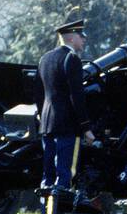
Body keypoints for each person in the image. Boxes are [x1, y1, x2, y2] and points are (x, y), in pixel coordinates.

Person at [38, 18, 96, 193]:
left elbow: (39, 94)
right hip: (67, 125)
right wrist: (86, 128)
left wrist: (43, 117)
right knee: (65, 174)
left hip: (47, 124)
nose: (84, 39)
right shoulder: (72, 59)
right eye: (81, 36)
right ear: (72, 38)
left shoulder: (45, 58)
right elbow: (76, 96)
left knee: (48, 177)